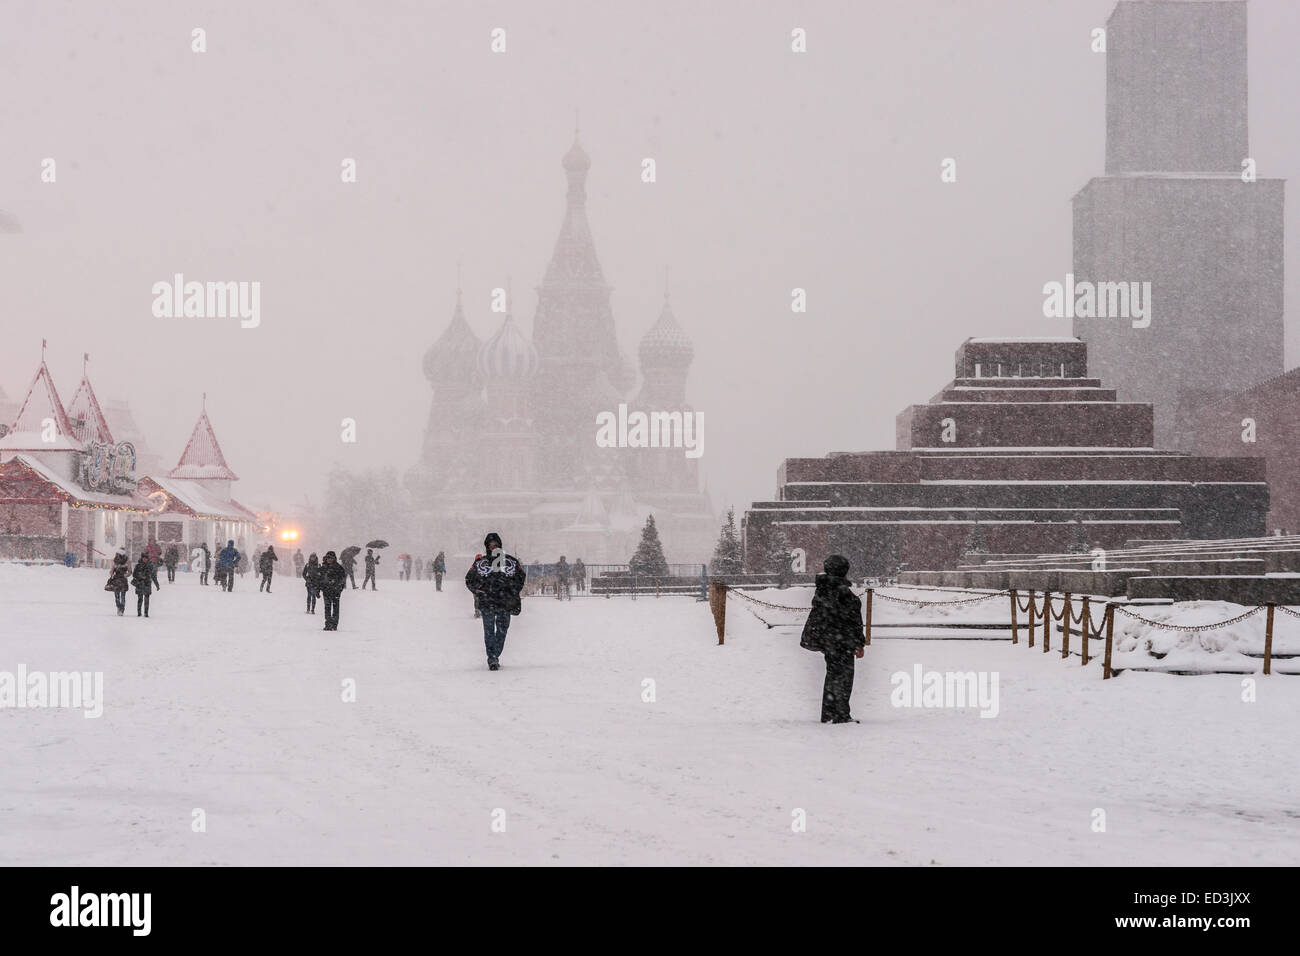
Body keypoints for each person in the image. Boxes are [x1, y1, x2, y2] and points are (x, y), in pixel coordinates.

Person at [799, 554, 865, 724]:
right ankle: (841, 714)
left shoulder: (822, 589)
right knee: (844, 678)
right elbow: (853, 621)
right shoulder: (843, 592)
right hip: (843, 641)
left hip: (829, 640)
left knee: (832, 675)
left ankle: (828, 712)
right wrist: (859, 643)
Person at [464, 532, 526, 671]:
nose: (493, 547)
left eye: (495, 544)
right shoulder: (480, 563)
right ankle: (492, 657)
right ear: (486, 546)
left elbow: (521, 577)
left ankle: (495, 654)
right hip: (487, 602)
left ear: (499, 545)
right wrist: (479, 592)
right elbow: (469, 579)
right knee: (489, 631)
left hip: (505, 602)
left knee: (502, 631)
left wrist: (512, 592)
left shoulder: (511, 561)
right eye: (490, 544)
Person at [319, 551, 347, 630]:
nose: (329, 559)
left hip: (335, 592)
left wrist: (339, 589)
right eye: (328, 558)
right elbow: (319, 578)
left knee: (335, 608)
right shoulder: (324, 567)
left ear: (334, 558)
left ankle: (334, 625)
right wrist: (320, 587)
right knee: (327, 608)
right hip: (326, 591)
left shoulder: (338, 567)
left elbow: (342, 579)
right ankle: (328, 624)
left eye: (331, 558)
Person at [105, 547, 130, 615]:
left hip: (122, 580)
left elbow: (130, 572)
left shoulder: (127, 561)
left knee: (122, 596)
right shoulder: (115, 561)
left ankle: (122, 609)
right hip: (116, 580)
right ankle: (119, 608)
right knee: (117, 595)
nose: (117, 555)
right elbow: (112, 570)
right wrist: (111, 572)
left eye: (118, 553)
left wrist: (125, 575)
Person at [131, 551, 155, 618]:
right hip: (139, 584)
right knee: (140, 599)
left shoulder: (150, 565)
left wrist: (156, 584)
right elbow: (134, 574)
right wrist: (140, 576)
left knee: (147, 599)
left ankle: (146, 613)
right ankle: (139, 612)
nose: (145, 559)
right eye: (144, 558)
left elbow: (152, 574)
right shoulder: (138, 565)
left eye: (146, 558)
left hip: (147, 583)